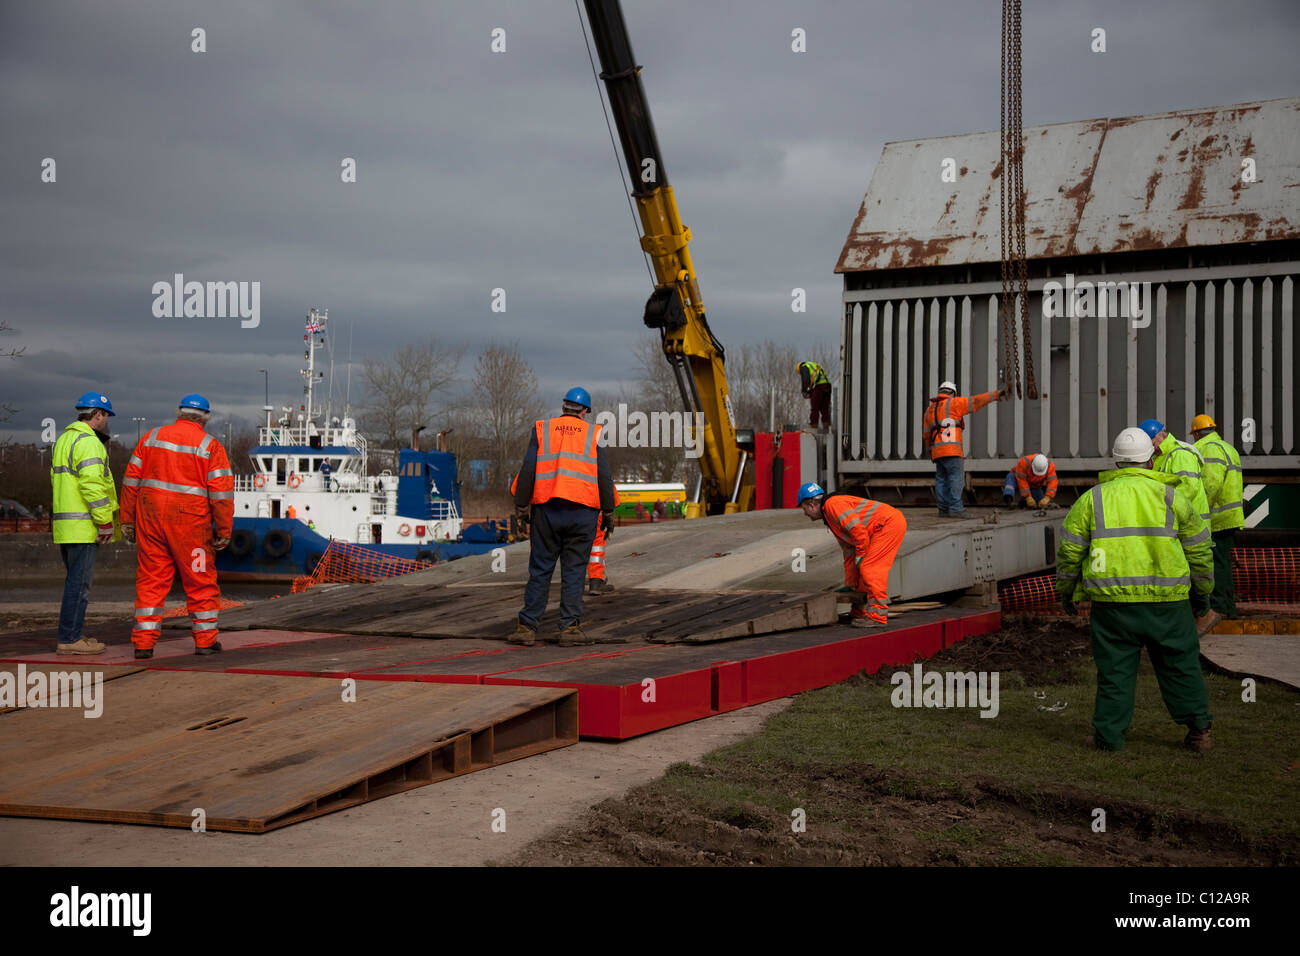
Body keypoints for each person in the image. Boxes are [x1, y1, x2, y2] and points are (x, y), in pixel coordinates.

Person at [1056, 426, 1216, 752]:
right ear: (1151, 461)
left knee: (1115, 672)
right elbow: (1200, 550)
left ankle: (1109, 737)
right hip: (1168, 604)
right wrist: (1202, 594)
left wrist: (1067, 590)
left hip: (1112, 606)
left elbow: (1070, 551)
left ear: (1116, 463)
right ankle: (1199, 731)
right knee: (1181, 666)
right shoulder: (1173, 498)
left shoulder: (1092, 500)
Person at [121, 394, 234, 659]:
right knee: (200, 580)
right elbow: (222, 495)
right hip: (190, 524)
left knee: (151, 579)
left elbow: (130, 481)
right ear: (205, 417)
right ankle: (205, 641)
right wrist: (224, 531)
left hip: (150, 518)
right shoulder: (210, 446)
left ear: (178, 412)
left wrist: (127, 519)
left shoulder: (151, 438)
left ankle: (143, 643)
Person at [511, 387, 615, 646]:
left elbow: (528, 469)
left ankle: (526, 628)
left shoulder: (542, 430)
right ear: (585, 411)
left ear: (563, 407)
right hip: (583, 514)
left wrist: (522, 505)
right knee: (575, 571)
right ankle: (569, 629)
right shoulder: (594, 433)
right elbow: (603, 476)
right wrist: (609, 510)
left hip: (547, 510)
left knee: (540, 570)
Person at [50, 392, 120, 655]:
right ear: (98, 414)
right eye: (106, 416)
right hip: (83, 526)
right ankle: (70, 639)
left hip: (66, 526)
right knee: (79, 586)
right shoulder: (89, 442)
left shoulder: (64, 439)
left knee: (74, 583)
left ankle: (73, 634)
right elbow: (92, 485)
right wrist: (104, 521)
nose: (106, 422)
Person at [797, 481, 907, 627]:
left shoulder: (832, 505)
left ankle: (877, 617)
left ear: (811, 504)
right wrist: (851, 583)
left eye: (803, 508)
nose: (804, 513)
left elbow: (859, 532)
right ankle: (859, 612)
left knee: (870, 568)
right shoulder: (829, 516)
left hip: (887, 524)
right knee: (862, 570)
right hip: (884, 525)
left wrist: (861, 556)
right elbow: (848, 551)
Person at [922, 380, 1003, 517]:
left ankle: (943, 509)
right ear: (953, 393)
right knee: (955, 479)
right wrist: (996, 394)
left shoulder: (929, 410)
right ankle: (956, 509)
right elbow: (976, 401)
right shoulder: (954, 403)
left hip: (937, 452)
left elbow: (926, 435)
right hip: (952, 451)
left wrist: (931, 451)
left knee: (941, 479)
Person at [1190, 413, 1244, 618]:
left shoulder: (1209, 449)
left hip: (1216, 519)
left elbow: (1209, 486)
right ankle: (1227, 608)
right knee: (1222, 564)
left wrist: (1197, 514)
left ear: (1196, 433)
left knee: (1216, 567)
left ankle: (1220, 609)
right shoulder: (1228, 448)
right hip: (1228, 517)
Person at [588, 488, 621, 595]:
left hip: (557, 510)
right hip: (593, 510)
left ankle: (572, 582)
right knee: (596, 547)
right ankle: (596, 581)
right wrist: (610, 517)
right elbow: (608, 487)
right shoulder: (596, 470)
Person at [797, 360, 832, 429]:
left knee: (814, 407)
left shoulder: (804, 367)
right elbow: (814, 378)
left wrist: (804, 390)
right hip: (828, 386)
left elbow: (806, 379)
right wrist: (810, 389)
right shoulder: (813, 365)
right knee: (824, 408)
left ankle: (814, 426)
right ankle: (826, 426)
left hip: (820, 386)